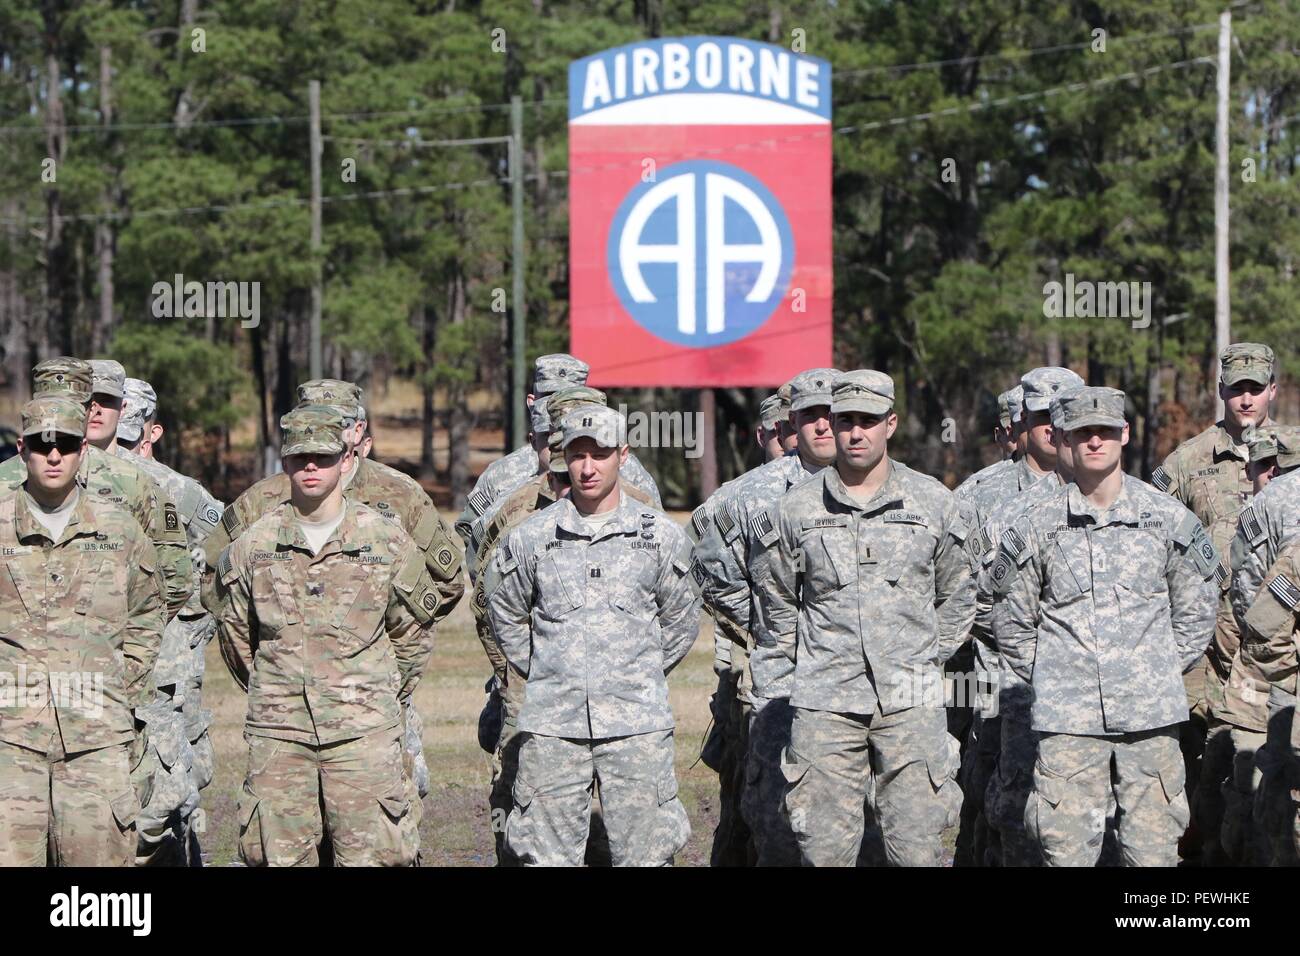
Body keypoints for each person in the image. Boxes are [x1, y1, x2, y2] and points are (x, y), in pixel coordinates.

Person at [201, 378, 464, 801]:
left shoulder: (399, 493)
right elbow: (218, 589)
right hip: (284, 717)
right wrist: (274, 682)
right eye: (308, 422)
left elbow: (444, 584)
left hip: (374, 708)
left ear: (358, 432)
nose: (320, 433)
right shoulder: (263, 501)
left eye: (336, 423)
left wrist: (377, 675)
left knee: (385, 834)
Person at [756, 369, 975, 866]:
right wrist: (812, 665)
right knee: (823, 850)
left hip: (911, 701)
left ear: (891, 424)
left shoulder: (932, 502)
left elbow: (960, 595)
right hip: (825, 702)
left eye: (868, 421)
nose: (856, 433)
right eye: (846, 420)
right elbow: (778, 603)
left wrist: (920, 656)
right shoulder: (794, 510)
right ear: (831, 423)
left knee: (916, 846)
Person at [994, 386, 1219, 866]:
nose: (1095, 442)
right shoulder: (1036, 525)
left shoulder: (1166, 519)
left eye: (1105, 431)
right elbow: (1011, 618)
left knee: (1152, 851)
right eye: (1083, 433)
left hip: (1150, 718)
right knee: (1066, 850)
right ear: (1066, 442)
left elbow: (1197, 609)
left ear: (1124, 434)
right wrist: (1056, 674)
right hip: (1067, 721)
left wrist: (1153, 668)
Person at [486, 405, 700, 866]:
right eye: (576, 454)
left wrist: (636, 671)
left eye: (599, 454)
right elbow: (504, 611)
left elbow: (682, 619)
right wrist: (546, 667)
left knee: (645, 856)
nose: (586, 467)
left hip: (636, 726)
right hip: (553, 728)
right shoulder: (532, 537)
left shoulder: (660, 537)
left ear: (622, 455)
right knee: (543, 857)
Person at [0, 396, 164, 866]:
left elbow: (147, 616)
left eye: (67, 445)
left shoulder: (120, 530)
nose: (54, 457)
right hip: (9, 738)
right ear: (21, 449)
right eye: (41, 445)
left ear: (83, 452)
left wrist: (118, 690)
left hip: (97, 739)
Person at [695, 368, 839, 865]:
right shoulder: (751, 495)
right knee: (769, 812)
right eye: (811, 416)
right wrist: (770, 627)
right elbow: (711, 568)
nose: (823, 426)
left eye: (831, 413)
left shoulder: (888, 491)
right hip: (781, 680)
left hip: (861, 684)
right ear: (792, 423)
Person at [953, 367, 1083, 866]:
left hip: (1089, 686)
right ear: (1022, 423)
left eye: (1059, 416)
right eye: (1040, 417)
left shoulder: (1102, 490)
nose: (1051, 427)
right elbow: (965, 591)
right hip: (997, 679)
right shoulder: (980, 495)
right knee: (996, 801)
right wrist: (1028, 642)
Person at [1151, 342, 1277, 860]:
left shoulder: (1293, 455)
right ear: (1219, 391)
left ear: (1272, 390)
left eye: (1255, 388)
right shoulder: (1187, 461)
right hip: (1204, 645)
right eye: (1235, 389)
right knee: (1205, 758)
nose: (1245, 399)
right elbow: (1151, 543)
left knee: (1269, 760)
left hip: (1274, 644)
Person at [0, 358, 193, 623]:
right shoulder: (3, 480)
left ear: (89, 411)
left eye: (72, 409)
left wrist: (122, 642)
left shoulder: (131, 482)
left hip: (101, 654)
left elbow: (175, 576)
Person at [1202, 425, 1300, 864]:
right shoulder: (1280, 504)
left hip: (1261, 661)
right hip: (1268, 672)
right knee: (1261, 790)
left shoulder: (1270, 503)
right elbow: (1251, 604)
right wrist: (1285, 664)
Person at [457, 354, 662, 543]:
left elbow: (657, 528)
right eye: (548, 395)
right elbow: (471, 535)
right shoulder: (503, 472)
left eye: (571, 394)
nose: (559, 404)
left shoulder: (628, 469)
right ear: (532, 403)